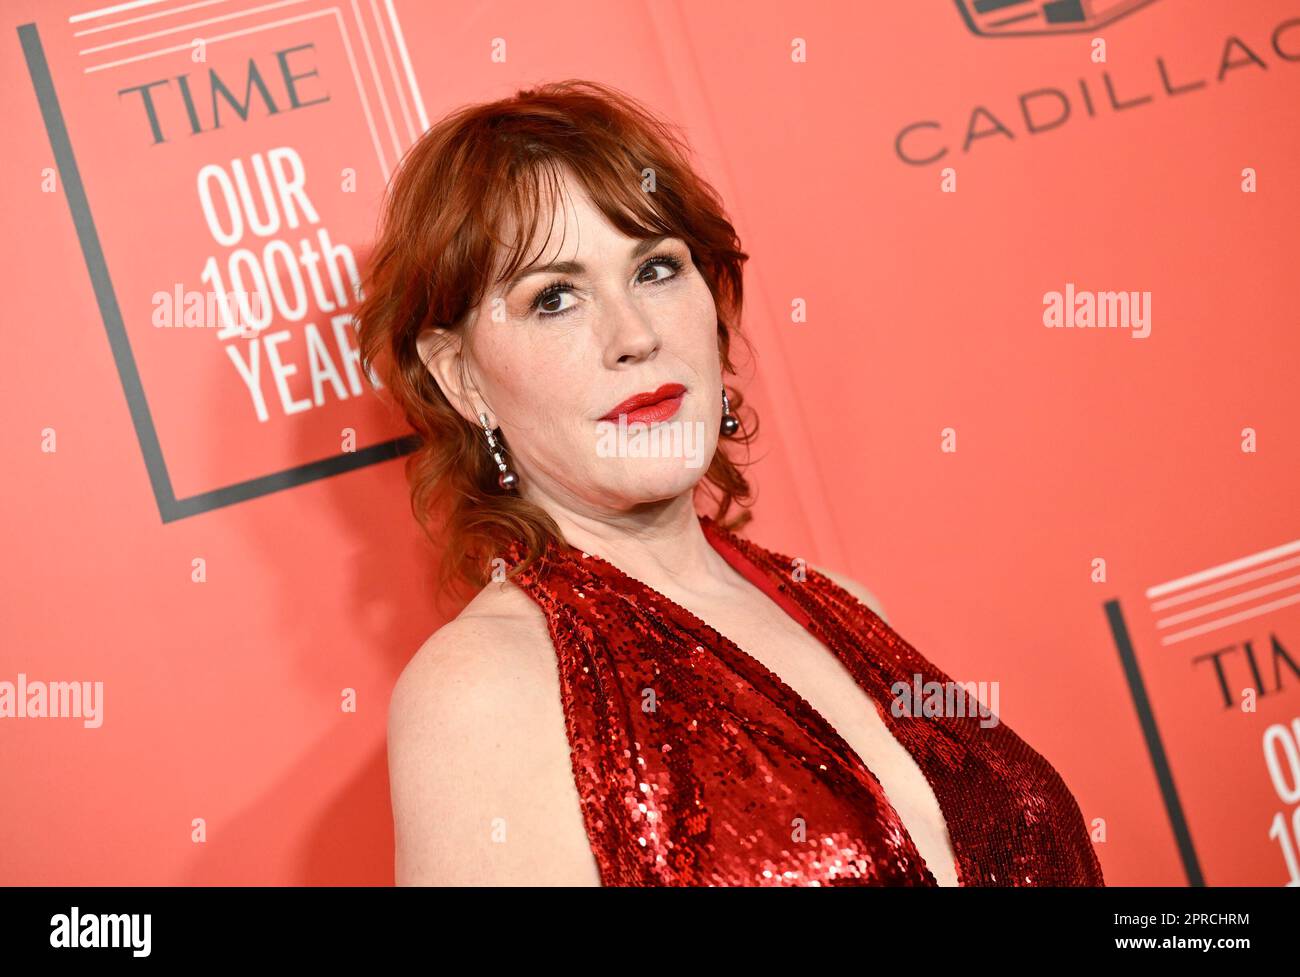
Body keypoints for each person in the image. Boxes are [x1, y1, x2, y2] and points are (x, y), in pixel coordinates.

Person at [357, 79, 1104, 887]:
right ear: (460, 376)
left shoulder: (843, 607)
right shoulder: (482, 690)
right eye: (556, 298)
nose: (634, 335)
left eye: (655, 268)